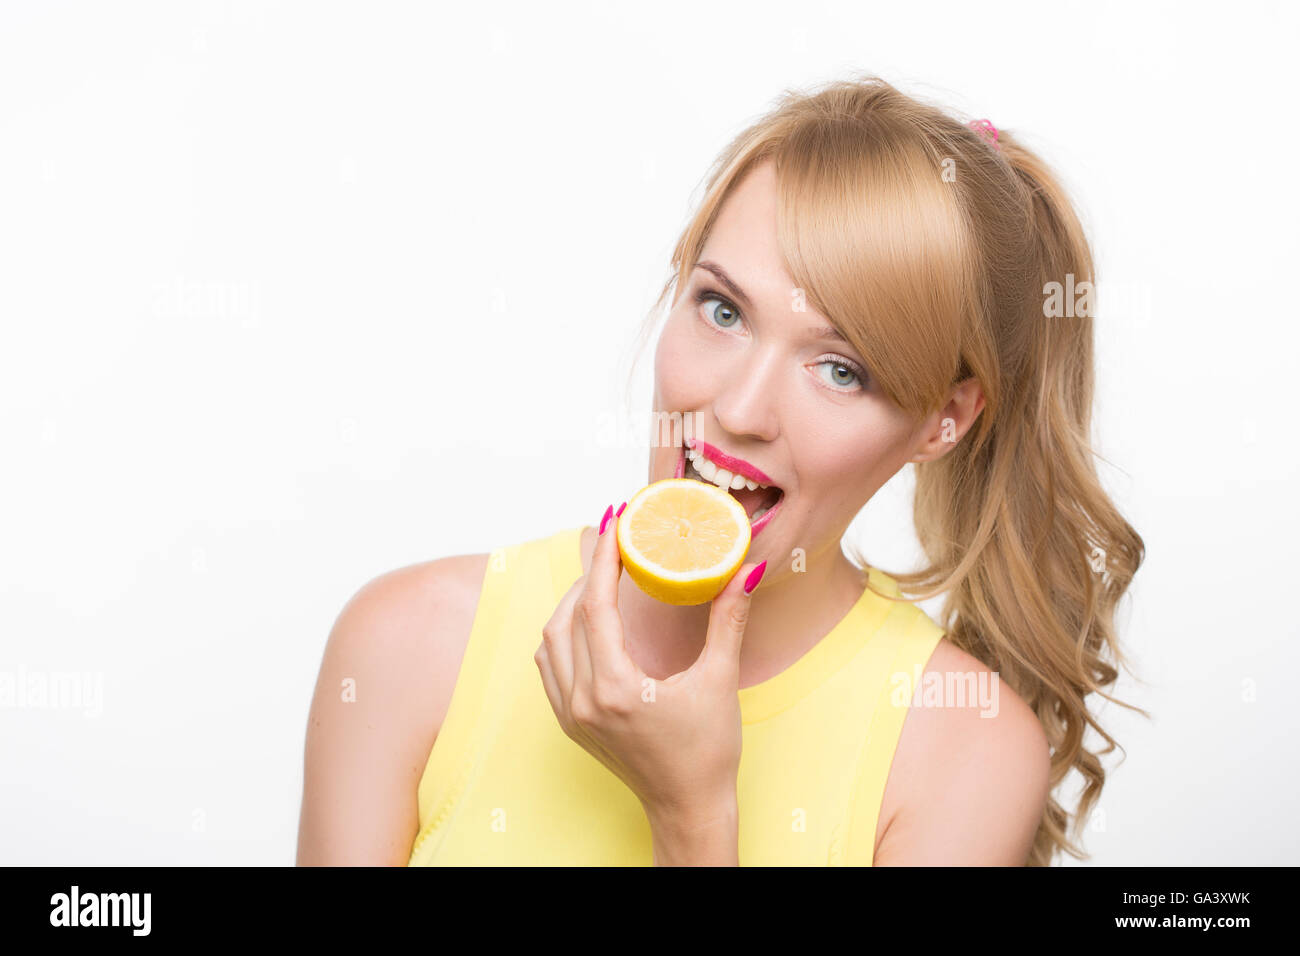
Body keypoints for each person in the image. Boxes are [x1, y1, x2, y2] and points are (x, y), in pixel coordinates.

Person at [296, 74, 1145, 867]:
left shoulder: (963, 752)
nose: (738, 409)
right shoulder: (407, 644)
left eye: (840, 368)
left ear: (943, 422)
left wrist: (693, 815)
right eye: (723, 309)